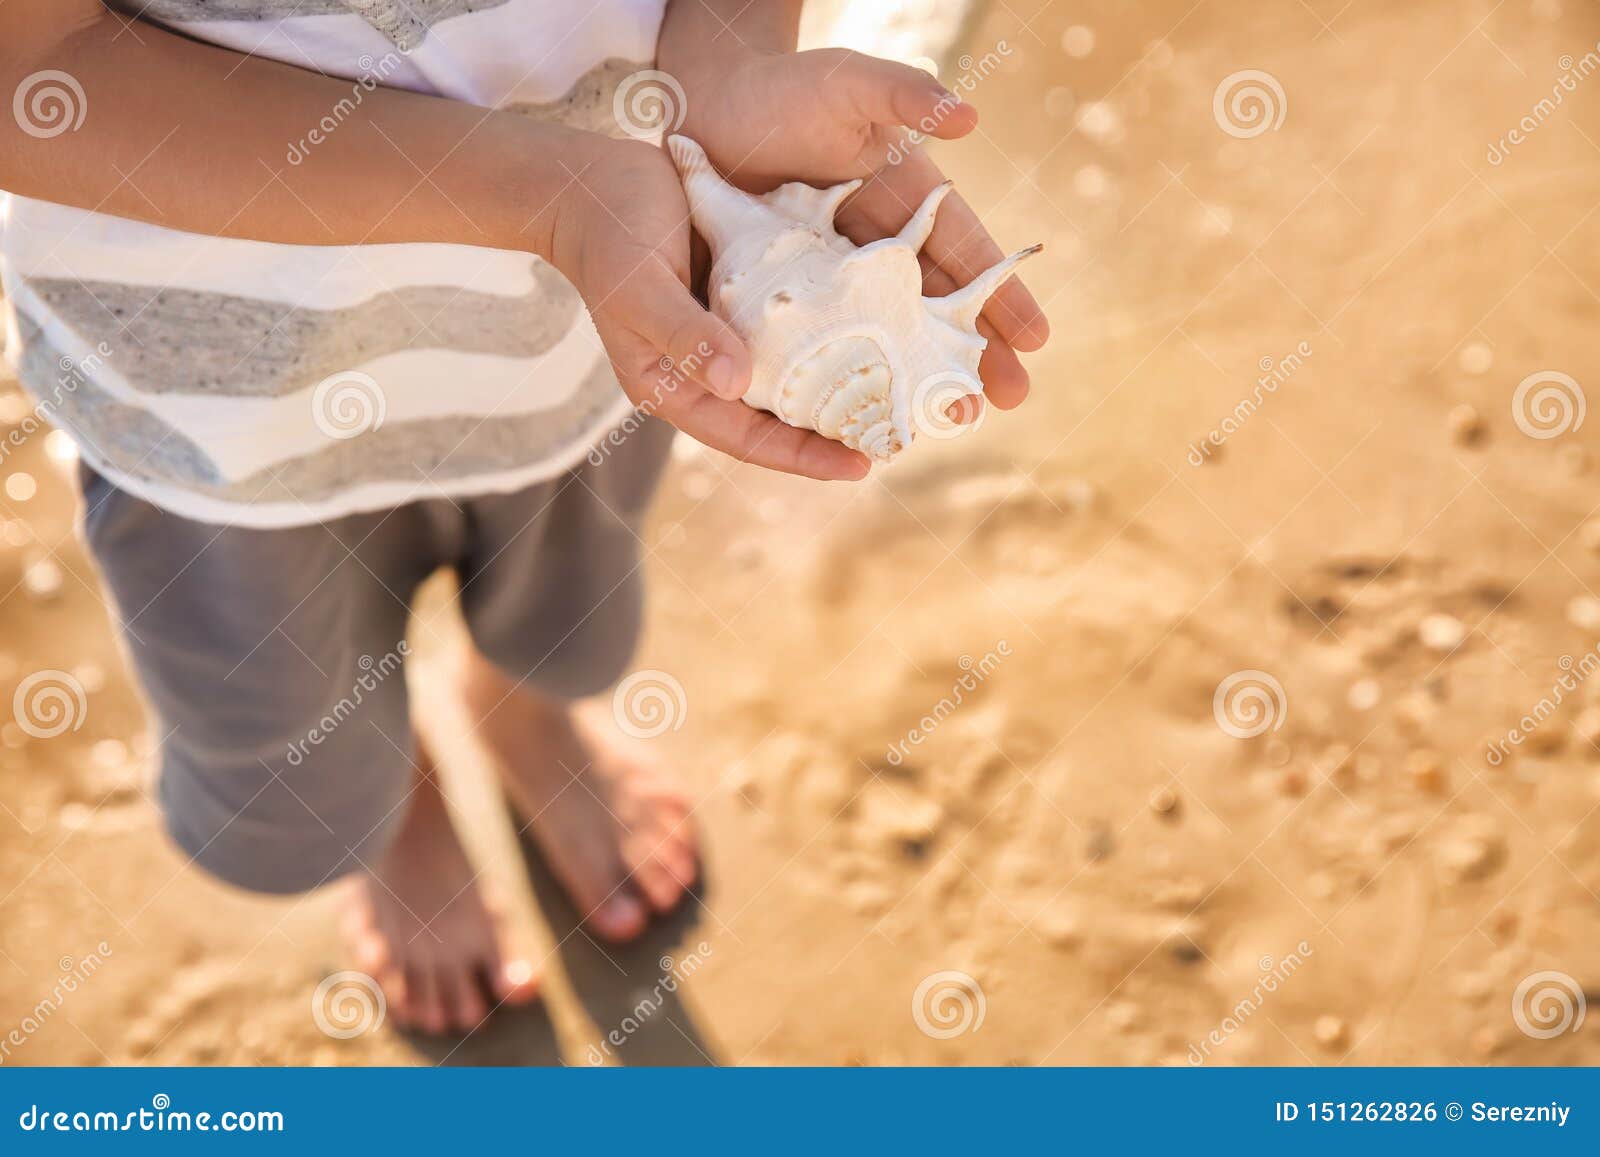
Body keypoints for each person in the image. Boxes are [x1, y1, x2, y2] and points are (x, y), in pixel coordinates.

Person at [0, 0, 1048, 1034]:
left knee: (561, 599)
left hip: (590, 320)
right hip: (221, 399)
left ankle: (519, 710)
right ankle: (400, 799)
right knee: (307, 736)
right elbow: (26, 70)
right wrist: (546, 198)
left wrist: (724, 51)